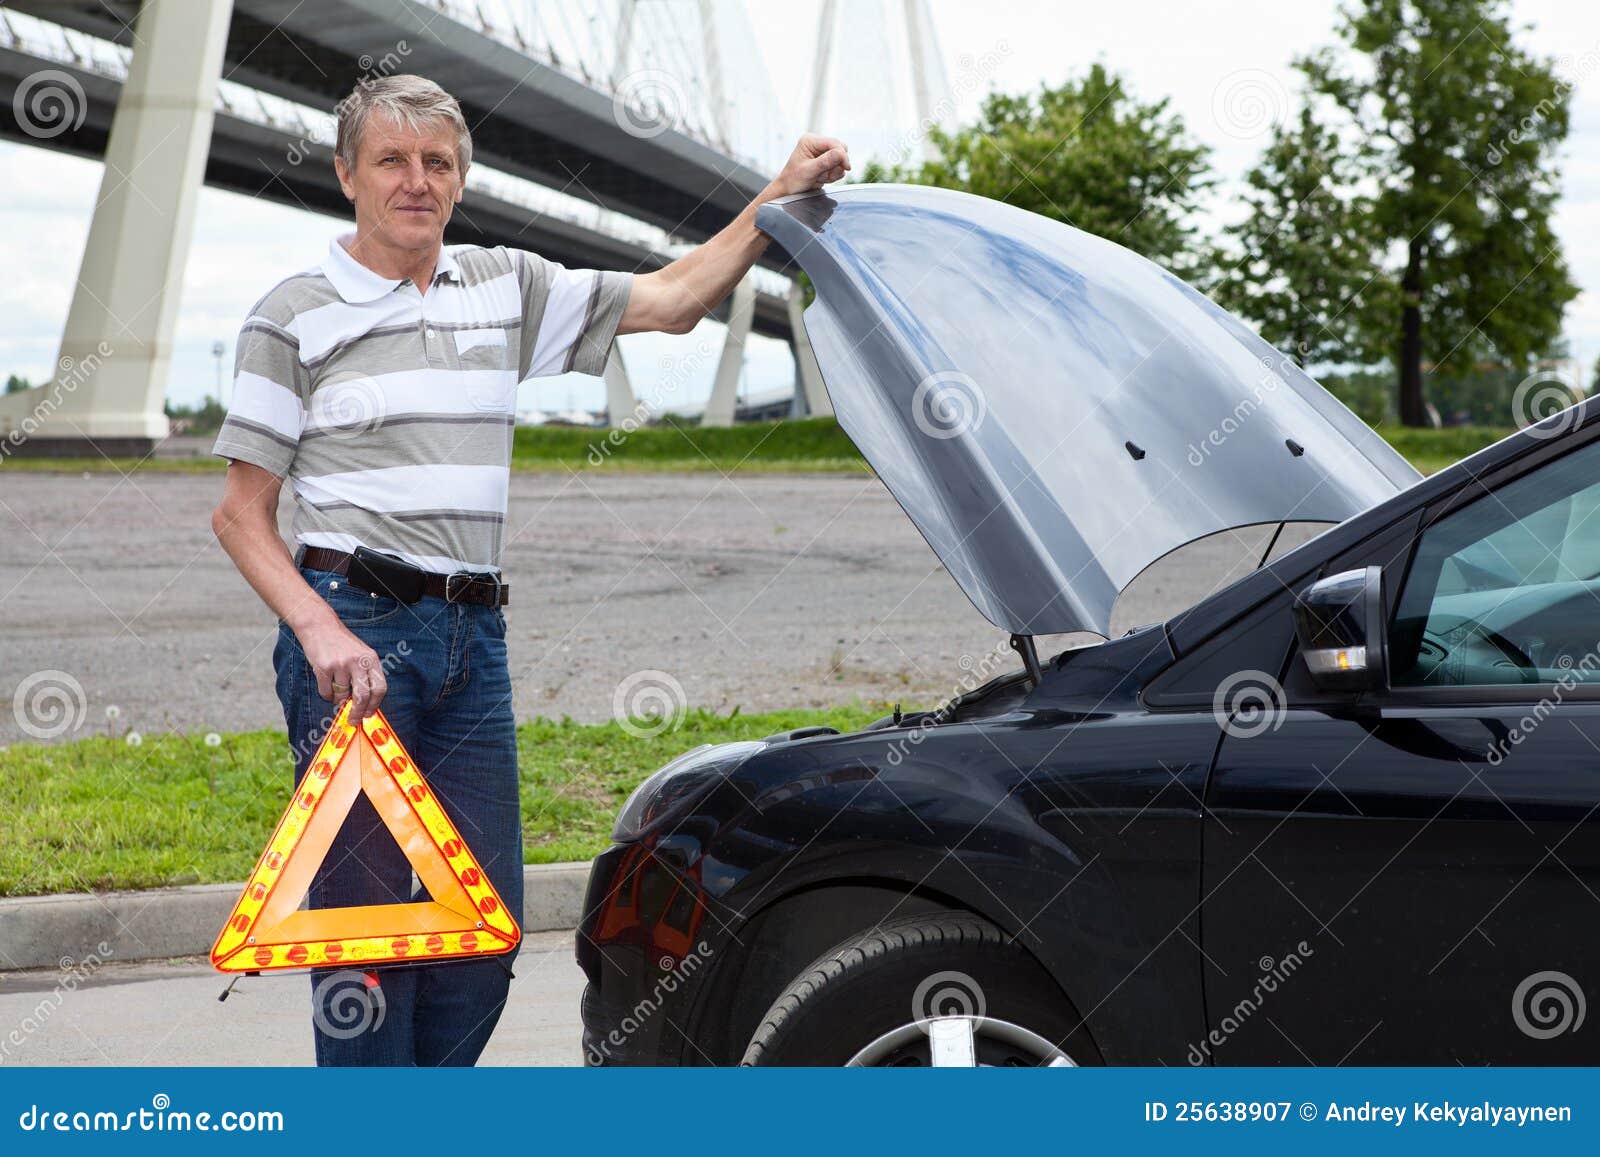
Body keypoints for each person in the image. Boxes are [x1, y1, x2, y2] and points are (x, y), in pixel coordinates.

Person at [209, 73, 848, 1066]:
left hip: (474, 643)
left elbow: (675, 301)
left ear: (460, 180)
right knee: (373, 949)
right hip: (354, 638)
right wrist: (318, 628)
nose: (415, 181)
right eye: (391, 160)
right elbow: (241, 515)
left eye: (438, 163)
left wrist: (778, 196)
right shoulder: (293, 314)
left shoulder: (504, 285)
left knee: (484, 935)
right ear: (346, 174)